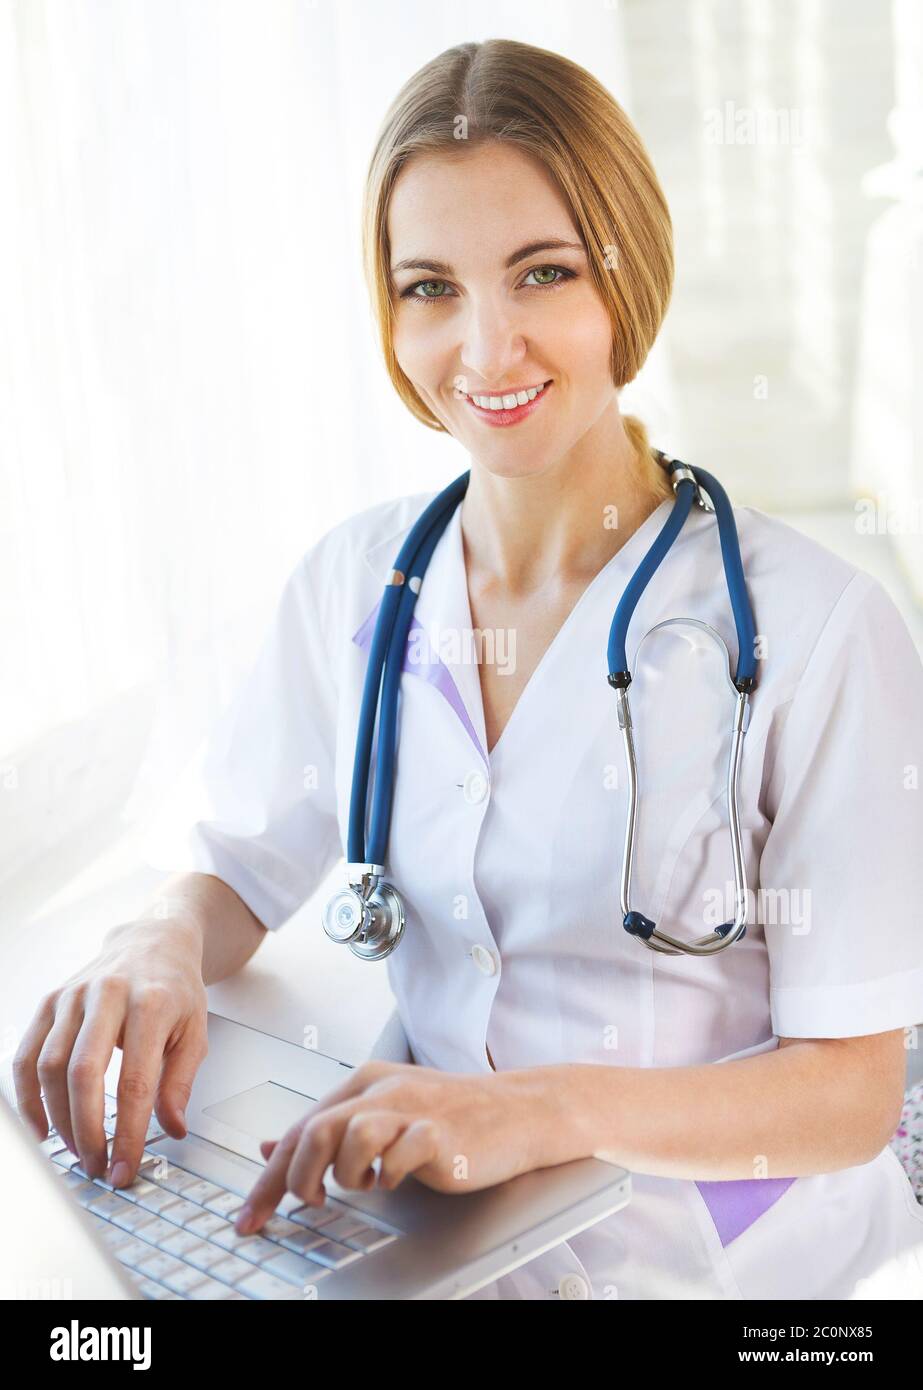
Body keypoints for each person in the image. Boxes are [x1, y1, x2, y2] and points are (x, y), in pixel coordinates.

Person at [14, 38, 923, 1301]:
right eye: (430, 287)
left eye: (540, 273)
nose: (484, 348)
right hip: (443, 1241)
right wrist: (158, 938)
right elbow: (239, 862)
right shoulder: (358, 584)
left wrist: (529, 1110)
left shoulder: (815, 630)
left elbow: (849, 1091)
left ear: (626, 275)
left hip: (738, 1265)